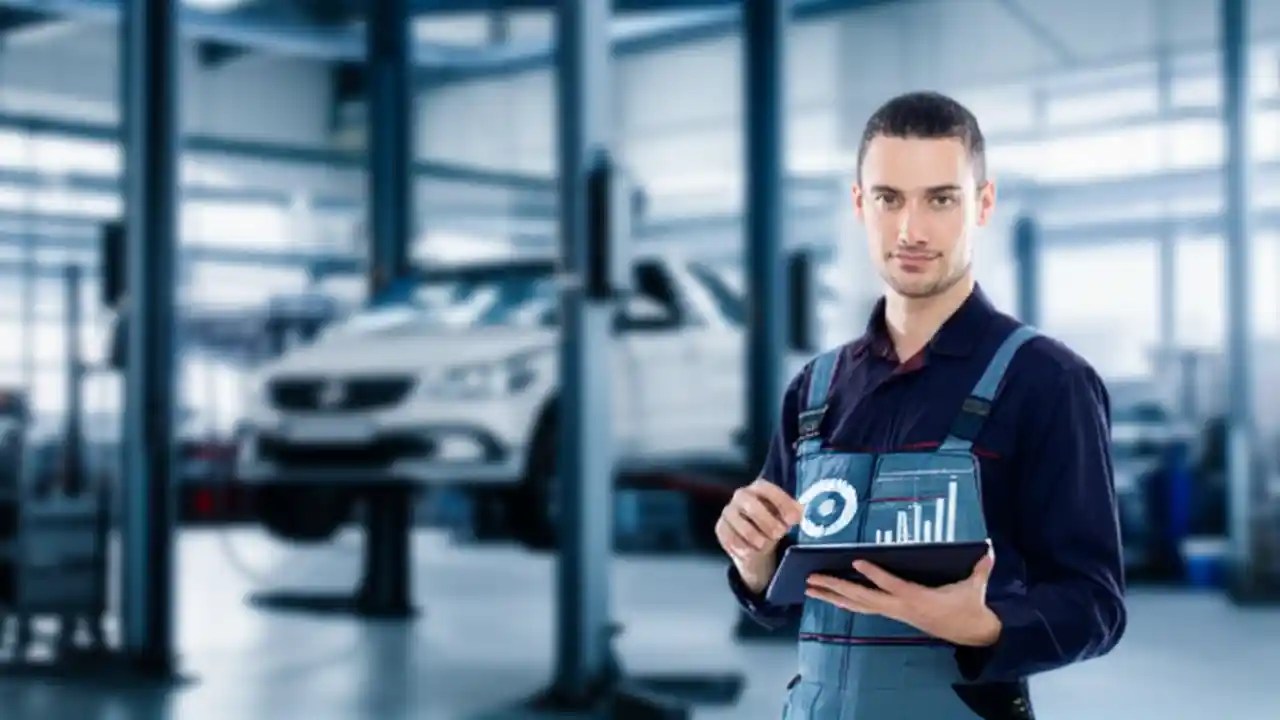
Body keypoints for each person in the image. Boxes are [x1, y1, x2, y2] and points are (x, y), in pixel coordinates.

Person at [718, 91, 1126, 719]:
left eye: (941, 199)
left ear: (982, 204)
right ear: (860, 205)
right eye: (889, 199)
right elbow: (783, 598)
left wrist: (984, 625)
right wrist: (754, 557)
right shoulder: (814, 390)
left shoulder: (1048, 381)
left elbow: (1096, 605)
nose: (911, 230)